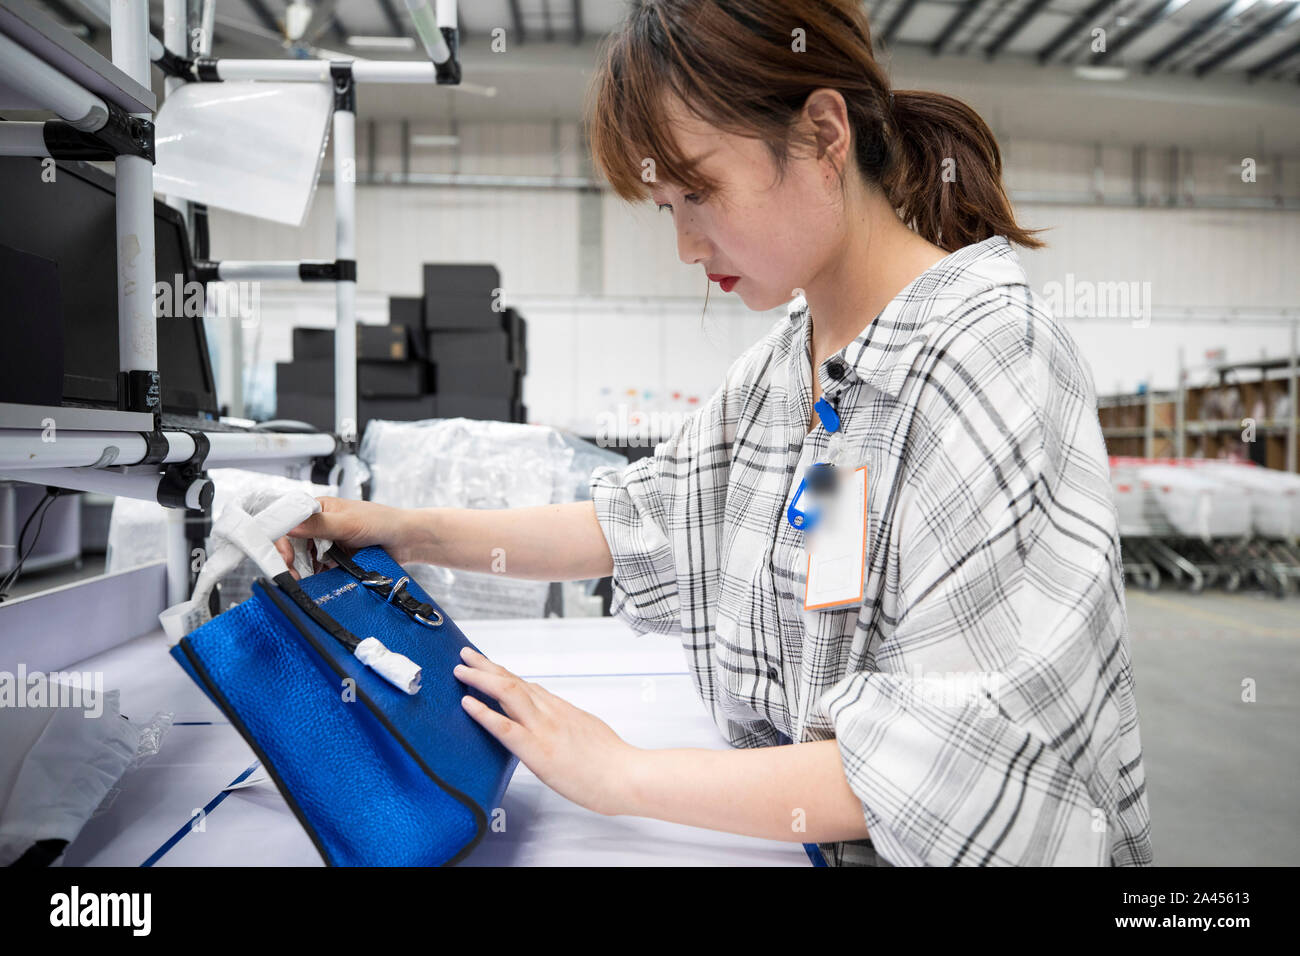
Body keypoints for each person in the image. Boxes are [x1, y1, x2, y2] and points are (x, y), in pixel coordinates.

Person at [277, 0, 1154, 866]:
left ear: (822, 135)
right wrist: (397, 526)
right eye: (667, 207)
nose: (689, 246)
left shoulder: (987, 353)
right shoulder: (786, 368)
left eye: (700, 191)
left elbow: (960, 768)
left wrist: (622, 775)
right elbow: (639, 523)